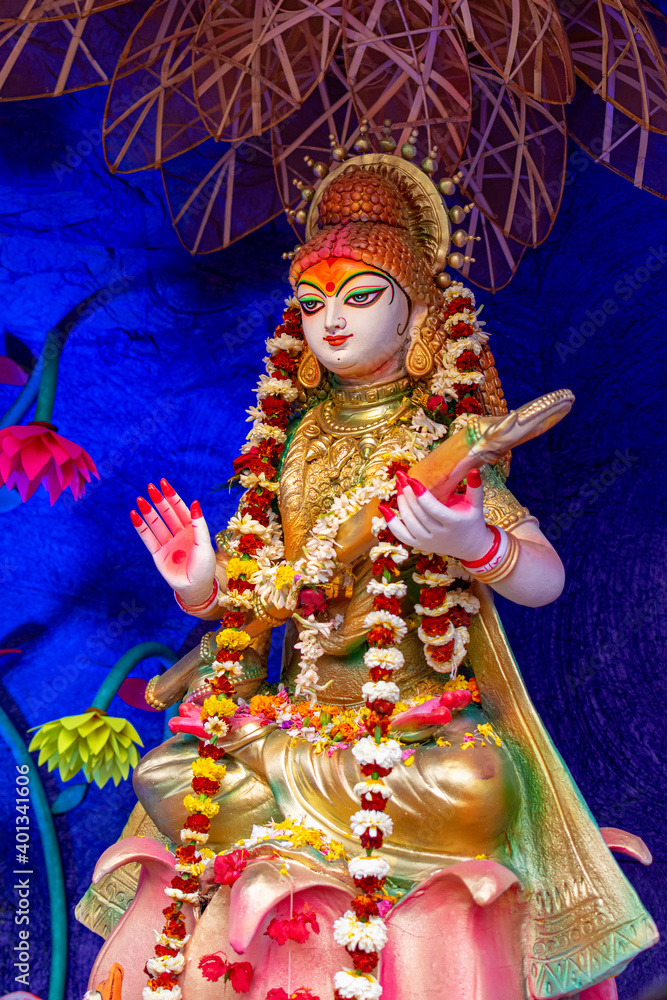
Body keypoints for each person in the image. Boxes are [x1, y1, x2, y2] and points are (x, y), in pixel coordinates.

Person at [84, 149, 656, 1000]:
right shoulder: (293, 445)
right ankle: (300, 828)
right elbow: (265, 597)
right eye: (313, 304)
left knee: (479, 789)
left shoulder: (443, 438)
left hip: (418, 733)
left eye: (360, 297)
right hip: (301, 721)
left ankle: (306, 833)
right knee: (167, 775)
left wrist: (473, 544)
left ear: (417, 314)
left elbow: (544, 580)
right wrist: (199, 585)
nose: (334, 322)